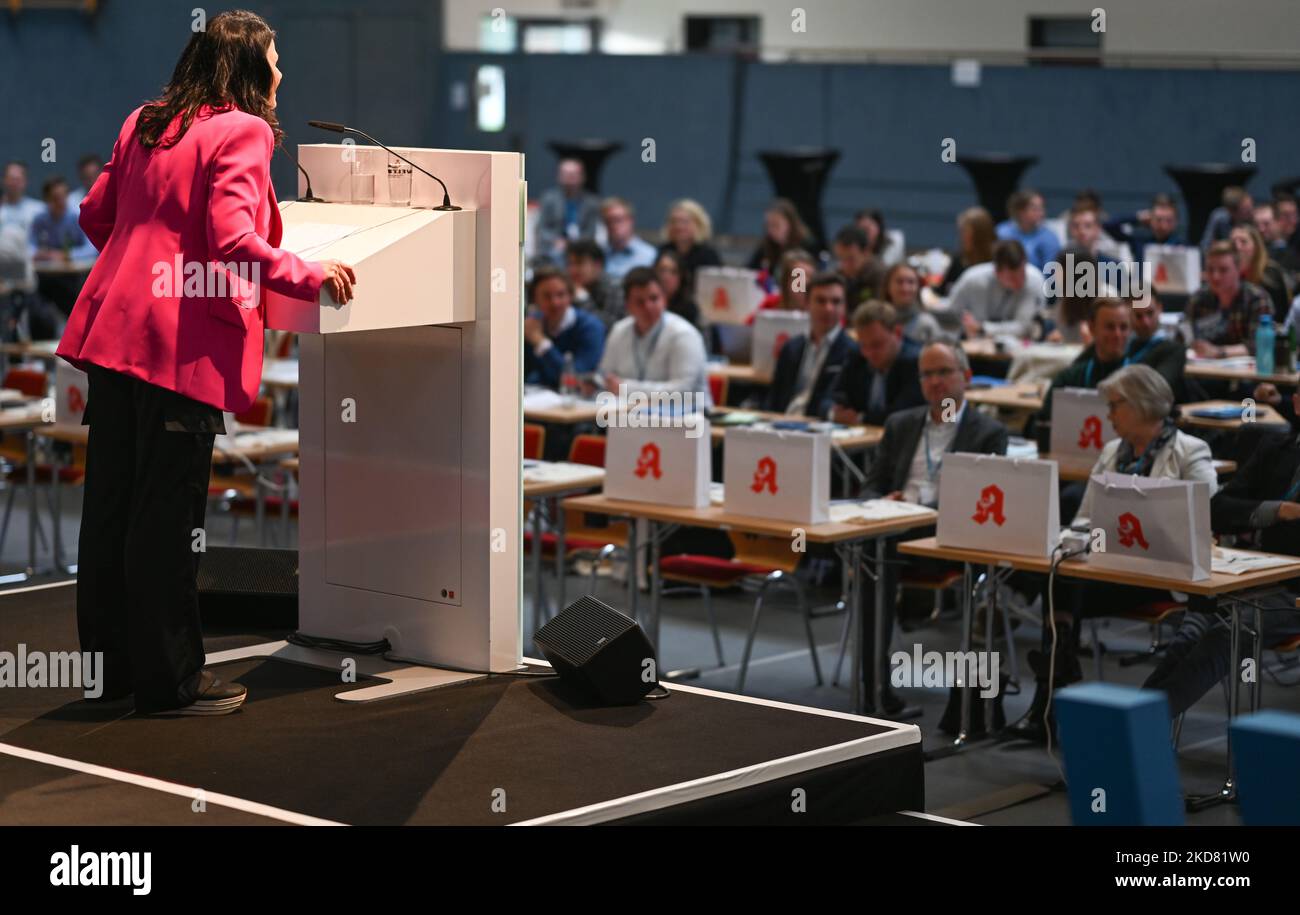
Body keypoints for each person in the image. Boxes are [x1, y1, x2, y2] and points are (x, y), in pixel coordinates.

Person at [55, 10, 356, 716]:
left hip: (112, 329)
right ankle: (170, 683)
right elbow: (232, 239)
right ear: (249, 69)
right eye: (275, 63)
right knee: (166, 520)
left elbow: (96, 216)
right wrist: (306, 274)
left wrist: (142, 257)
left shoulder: (145, 120)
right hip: (177, 346)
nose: (282, 75)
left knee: (108, 512)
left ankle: (109, 678)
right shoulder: (243, 131)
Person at [1010, 365, 1217, 743]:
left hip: (1159, 575)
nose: (1108, 415)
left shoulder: (1190, 450)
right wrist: (1072, 540)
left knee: (1063, 586)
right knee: (1058, 572)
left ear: (1141, 404)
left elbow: (1206, 511)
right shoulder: (1110, 452)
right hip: (1108, 567)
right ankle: (1057, 680)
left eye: (1114, 405)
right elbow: (1086, 517)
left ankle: (1053, 694)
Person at [859, 339, 1008, 716]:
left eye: (944, 372)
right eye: (927, 374)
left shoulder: (988, 432)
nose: (935, 382)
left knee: (877, 555)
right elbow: (869, 485)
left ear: (966, 377)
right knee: (870, 555)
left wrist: (922, 510)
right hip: (893, 527)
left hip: (947, 536)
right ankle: (874, 684)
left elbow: (982, 503)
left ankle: (880, 677)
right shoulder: (901, 423)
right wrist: (883, 500)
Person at [1141, 408, 1300, 718]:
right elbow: (1219, 509)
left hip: (1292, 592)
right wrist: (1277, 511)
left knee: (1226, 634)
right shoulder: (1275, 448)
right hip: (1248, 575)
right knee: (1189, 634)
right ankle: (1136, 724)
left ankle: (1140, 725)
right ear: (1295, 402)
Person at [590, 267, 711, 408]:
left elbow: (682, 391)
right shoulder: (619, 330)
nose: (648, 307)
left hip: (686, 419)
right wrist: (595, 384)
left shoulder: (684, 334)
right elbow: (606, 376)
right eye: (640, 302)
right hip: (632, 416)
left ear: (664, 300)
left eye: (654, 299)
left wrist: (626, 388)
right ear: (627, 305)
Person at [766, 272, 854, 417]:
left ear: (845, 307)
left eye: (836, 302)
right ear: (807, 304)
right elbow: (774, 399)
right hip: (780, 425)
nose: (828, 308)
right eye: (821, 301)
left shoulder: (852, 352)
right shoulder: (791, 347)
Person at [829, 300, 924, 427]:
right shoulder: (857, 356)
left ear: (897, 333)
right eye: (863, 345)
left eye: (877, 345)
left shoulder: (916, 362)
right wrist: (834, 413)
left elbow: (901, 416)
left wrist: (860, 418)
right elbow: (829, 398)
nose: (869, 353)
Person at [30, 176, 98, 331]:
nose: (61, 202)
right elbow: (30, 245)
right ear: (47, 199)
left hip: (73, 278)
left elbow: (91, 248)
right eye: (56, 198)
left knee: (77, 309)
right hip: (46, 277)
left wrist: (67, 255)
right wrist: (38, 253)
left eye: (63, 197)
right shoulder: (40, 219)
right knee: (37, 310)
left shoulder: (77, 216)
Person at [1185, 240, 1272, 358]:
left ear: (1238, 270)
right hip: (1201, 371)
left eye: (1223, 270)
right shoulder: (1198, 299)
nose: (1215, 276)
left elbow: (1259, 344)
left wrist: (1218, 352)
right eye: (1210, 270)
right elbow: (1183, 339)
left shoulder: (1256, 299)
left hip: (1245, 374)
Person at [524, 265, 605, 389]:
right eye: (546, 296)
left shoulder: (590, 327)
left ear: (570, 296)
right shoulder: (532, 325)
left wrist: (541, 342)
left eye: (560, 295)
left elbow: (574, 379)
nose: (555, 302)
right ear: (535, 299)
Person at [950, 239, 1046, 339]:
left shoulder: (1034, 281)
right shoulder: (972, 280)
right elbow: (950, 315)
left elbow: (1024, 327)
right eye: (1012, 278)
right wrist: (965, 325)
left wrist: (982, 328)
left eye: (1022, 274)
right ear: (996, 272)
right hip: (973, 346)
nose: (1019, 282)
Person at [534, 158, 599, 266]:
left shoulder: (591, 202)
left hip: (580, 250)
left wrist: (571, 244)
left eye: (573, 175)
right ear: (559, 176)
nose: (569, 179)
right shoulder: (548, 199)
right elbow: (542, 229)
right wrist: (555, 240)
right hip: (552, 250)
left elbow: (590, 232)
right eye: (566, 174)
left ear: (582, 176)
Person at [658, 198, 721, 293]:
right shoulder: (663, 252)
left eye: (684, 222)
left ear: (698, 225)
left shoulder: (708, 255)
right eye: (674, 221)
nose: (678, 226)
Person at [1230, 222, 1292, 315]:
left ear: (1256, 246)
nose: (1238, 247)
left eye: (1243, 242)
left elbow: (1284, 311)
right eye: (1233, 243)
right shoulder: (1226, 274)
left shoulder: (1271, 272)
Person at [1103, 192, 1182, 263]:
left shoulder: (1183, 247)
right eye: (1159, 220)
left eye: (1169, 221)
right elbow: (1108, 225)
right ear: (1151, 219)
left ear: (1176, 221)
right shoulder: (1140, 243)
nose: (1164, 226)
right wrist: (1137, 217)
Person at [996, 188, 1060, 270]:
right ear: (1020, 211)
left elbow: (1051, 272)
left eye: (1042, 208)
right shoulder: (1002, 232)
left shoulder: (1049, 237)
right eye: (1035, 209)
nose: (1042, 213)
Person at [937, 206, 995, 295]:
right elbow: (942, 291)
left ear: (980, 235)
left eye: (965, 231)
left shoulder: (997, 261)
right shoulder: (959, 259)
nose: (961, 237)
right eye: (960, 231)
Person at [565, 238, 621, 328]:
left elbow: (610, 327)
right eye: (570, 264)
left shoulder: (614, 288)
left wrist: (583, 299)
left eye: (579, 263)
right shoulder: (567, 286)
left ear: (597, 265)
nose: (572, 270)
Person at [881, 261, 941, 345]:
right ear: (887, 286)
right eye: (899, 282)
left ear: (918, 287)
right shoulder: (878, 321)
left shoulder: (927, 324)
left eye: (911, 282)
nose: (905, 288)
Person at [751, 248, 818, 322]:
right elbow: (748, 327)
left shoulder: (820, 307)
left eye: (810, 276)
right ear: (786, 281)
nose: (806, 282)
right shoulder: (771, 304)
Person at [748, 198, 811, 275]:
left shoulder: (805, 245)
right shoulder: (767, 245)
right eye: (768, 225)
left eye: (776, 225)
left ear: (790, 224)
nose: (771, 230)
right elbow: (750, 269)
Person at [599, 196, 656, 279]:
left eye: (618, 220)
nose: (613, 225)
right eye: (608, 221)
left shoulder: (650, 256)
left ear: (631, 221)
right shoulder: (599, 253)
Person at [833, 224, 886, 307]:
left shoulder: (880, 275)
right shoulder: (838, 275)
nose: (844, 265)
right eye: (840, 258)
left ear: (866, 252)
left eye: (850, 259)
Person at [652, 248, 699, 327]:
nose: (666, 277)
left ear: (681, 277)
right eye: (662, 270)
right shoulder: (645, 303)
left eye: (673, 272)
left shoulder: (690, 309)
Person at [1200, 185, 1253, 252]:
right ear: (1231, 211)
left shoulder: (1255, 219)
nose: (1251, 211)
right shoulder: (1219, 218)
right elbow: (1205, 246)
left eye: (1251, 206)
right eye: (1247, 209)